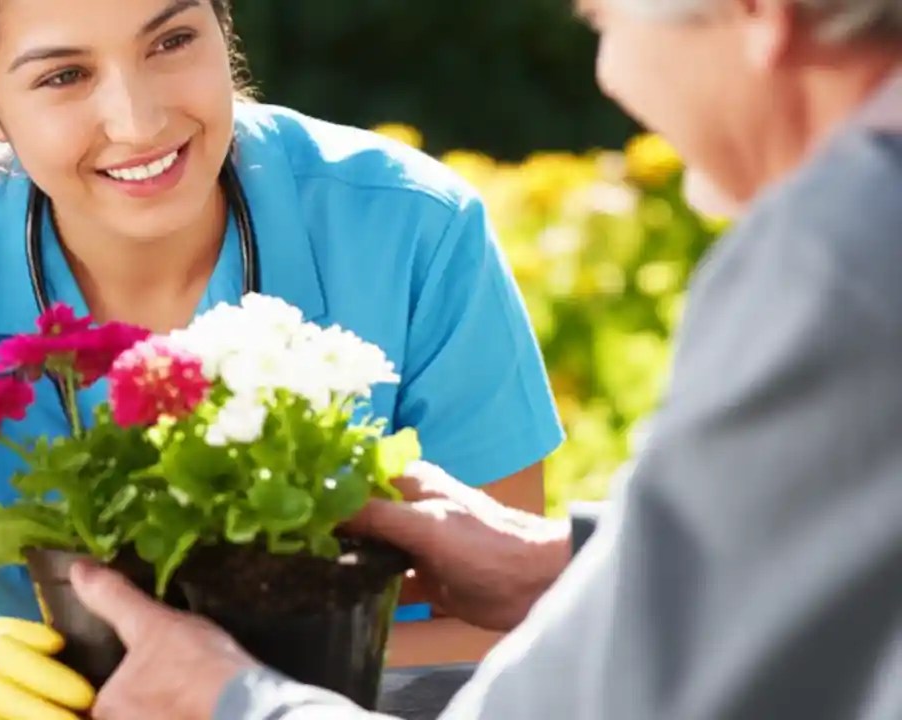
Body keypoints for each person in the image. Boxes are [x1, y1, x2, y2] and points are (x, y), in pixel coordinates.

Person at [65, 0, 902, 718]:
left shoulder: (840, 262)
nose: (609, 75)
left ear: (758, 13)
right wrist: (558, 564)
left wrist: (234, 700)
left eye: (604, 21)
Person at [0, 0, 565, 718]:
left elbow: (514, 613)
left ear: (223, 24)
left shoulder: (415, 227)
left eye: (171, 41)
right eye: (63, 76)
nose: (137, 122)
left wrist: (234, 690)